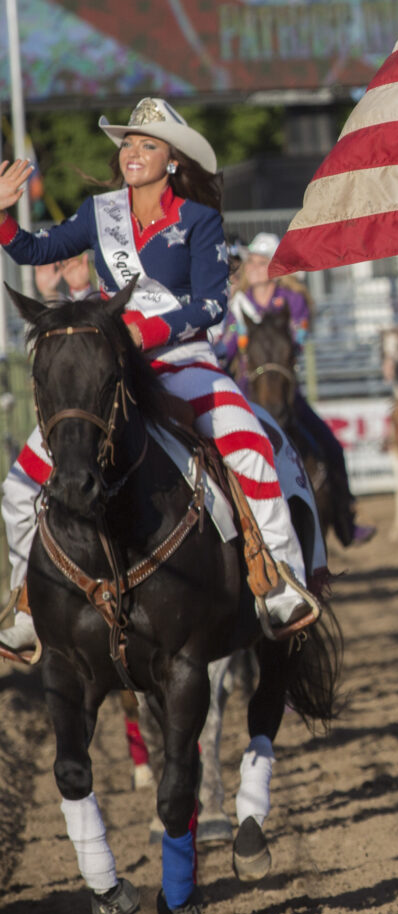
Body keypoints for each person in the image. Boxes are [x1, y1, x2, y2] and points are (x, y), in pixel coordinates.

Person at [0, 97, 312, 656]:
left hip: (184, 362)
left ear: (172, 160)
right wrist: (1, 213)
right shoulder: (101, 214)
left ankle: (278, 578)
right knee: (18, 484)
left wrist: (149, 330)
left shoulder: (199, 219)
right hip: (111, 370)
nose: (133, 153)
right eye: (128, 143)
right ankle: (26, 601)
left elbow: (214, 303)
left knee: (249, 446)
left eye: (148, 144)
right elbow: (33, 250)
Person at [223, 231, 375, 548]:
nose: (252, 266)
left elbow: (299, 342)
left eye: (260, 261)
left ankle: (346, 522)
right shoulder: (238, 304)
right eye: (251, 261)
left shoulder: (293, 300)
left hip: (287, 396)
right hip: (247, 395)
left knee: (331, 448)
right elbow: (227, 347)